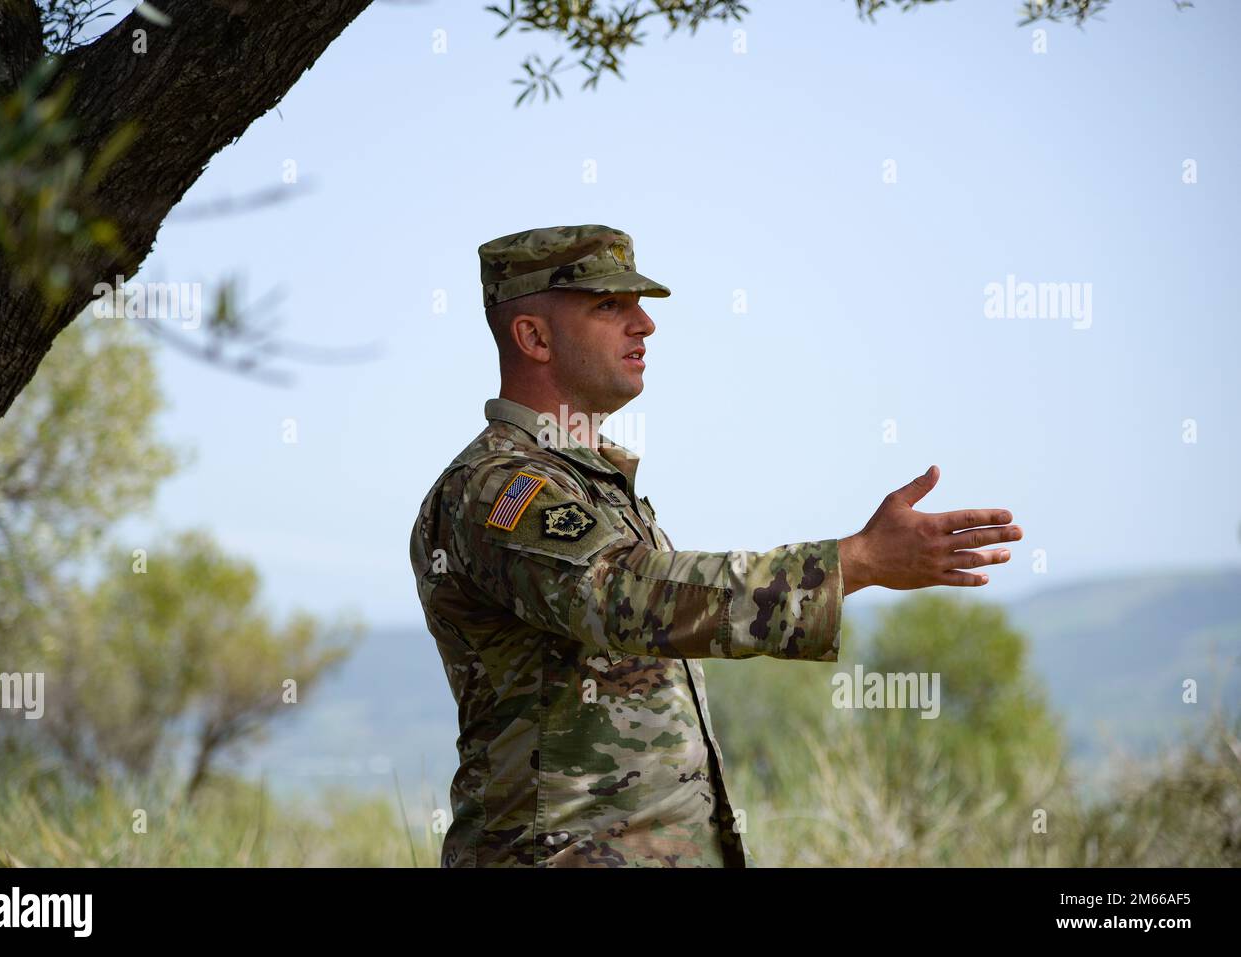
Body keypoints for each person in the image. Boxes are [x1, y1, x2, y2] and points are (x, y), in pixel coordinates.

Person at [408, 224, 1023, 867]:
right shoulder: (496, 488)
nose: (644, 324)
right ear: (533, 337)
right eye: (608, 305)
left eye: (639, 304)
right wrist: (855, 562)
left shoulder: (590, 485)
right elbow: (623, 595)